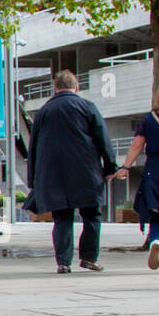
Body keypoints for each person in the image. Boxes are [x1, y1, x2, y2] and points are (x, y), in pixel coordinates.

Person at [27, 70, 117, 273]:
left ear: (55, 88)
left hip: (54, 174)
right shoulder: (87, 106)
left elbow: (33, 147)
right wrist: (110, 166)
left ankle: (63, 262)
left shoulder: (44, 111)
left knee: (62, 217)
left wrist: (33, 178)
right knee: (92, 215)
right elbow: (103, 138)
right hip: (86, 171)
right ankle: (89, 258)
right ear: (76, 88)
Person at [114, 85, 159, 271]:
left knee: (156, 213)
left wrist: (125, 167)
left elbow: (136, 146)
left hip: (154, 170)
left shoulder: (148, 119)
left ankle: (156, 240)